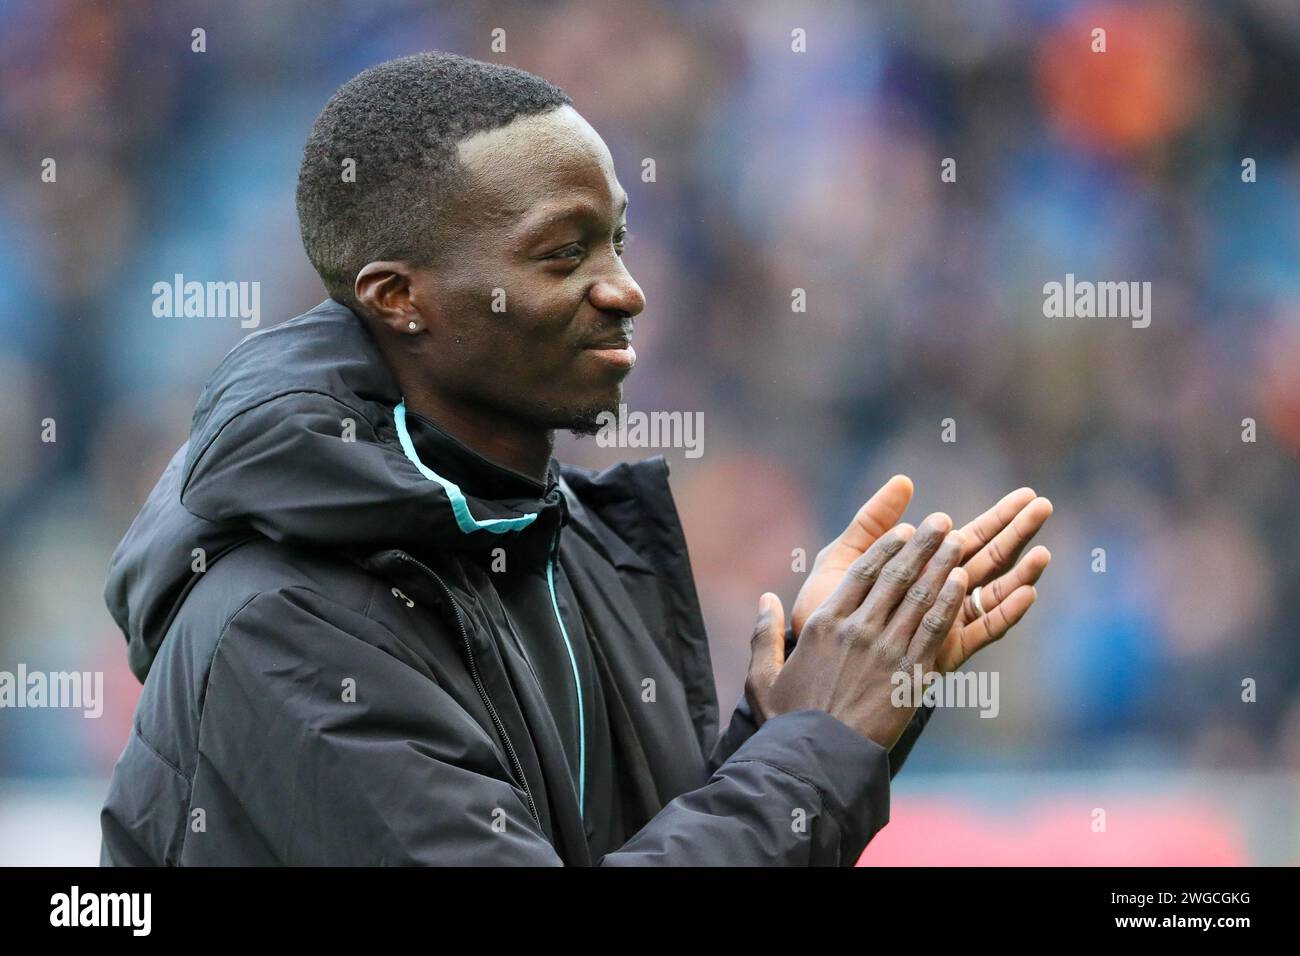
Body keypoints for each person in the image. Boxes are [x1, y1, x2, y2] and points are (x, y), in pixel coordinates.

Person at [99, 52, 1051, 866]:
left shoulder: (574, 543)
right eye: (563, 254)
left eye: (619, 241)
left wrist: (807, 712)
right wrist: (818, 744)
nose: (627, 290)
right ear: (399, 298)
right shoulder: (283, 625)